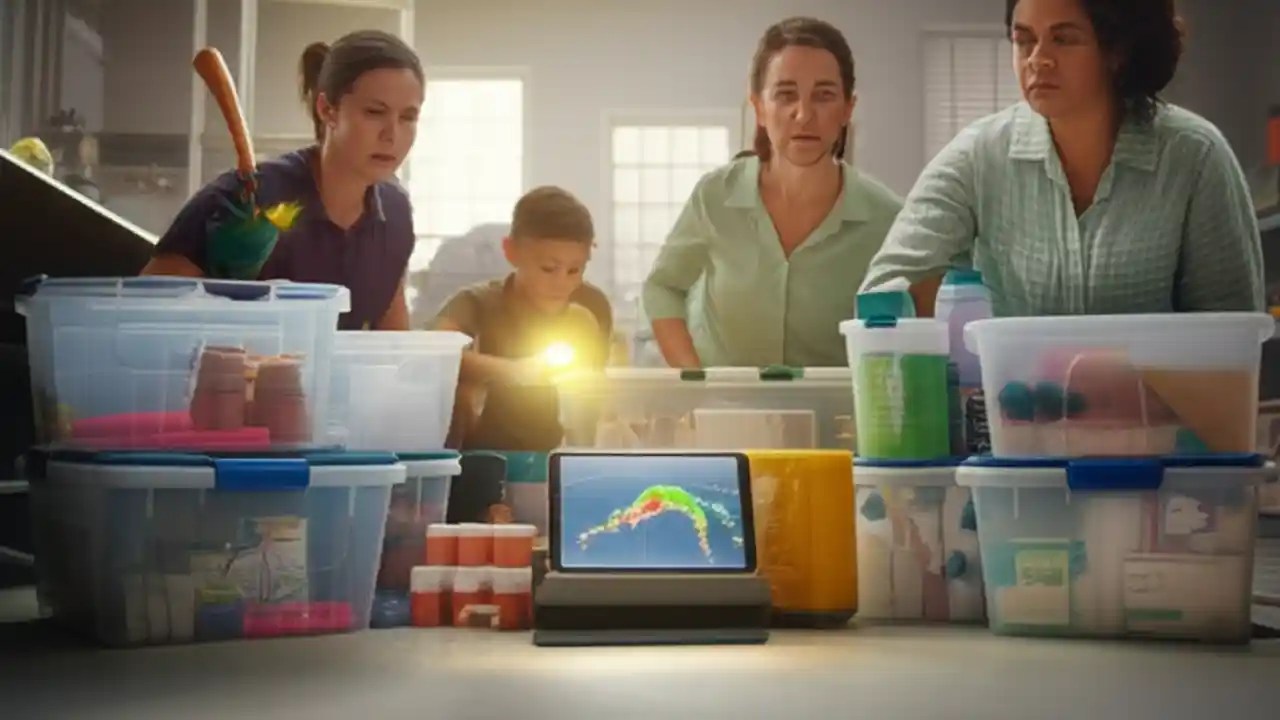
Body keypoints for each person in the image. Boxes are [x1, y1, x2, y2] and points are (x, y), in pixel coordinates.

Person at [860, 0, 1265, 316]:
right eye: (1024, 40)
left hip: (1156, 400)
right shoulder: (977, 155)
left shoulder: (1195, 156)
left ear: (1117, 50)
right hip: (1010, 396)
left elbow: (1231, 330)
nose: (1038, 59)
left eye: (1064, 39)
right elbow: (883, 290)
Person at [643, 17, 903, 369]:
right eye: (785, 94)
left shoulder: (888, 219)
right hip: (724, 402)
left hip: (837, 406)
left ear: (847, 109)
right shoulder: (715, 196)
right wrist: (693, 379)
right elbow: (663, 287)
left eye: (824, 95)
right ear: (759, 108)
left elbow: (916, 324)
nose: (804, 114)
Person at [141, 30, 424, 330]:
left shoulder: (394, 213)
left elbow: (392, 338)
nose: (392, 135)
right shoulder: (246, 199)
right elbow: (144, 317)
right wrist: (222, 294)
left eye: (408, 117)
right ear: (327, 110)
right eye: (375, 112)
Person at [433, 185, 612, 451]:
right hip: (482, 455)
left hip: (560, 453)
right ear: (511, 251)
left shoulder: (590, 309)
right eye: (548, 268)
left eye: (575, 270)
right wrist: (514, 372)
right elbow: (436, 354)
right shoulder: (478, 302)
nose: (561, 282)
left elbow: (596, 388)